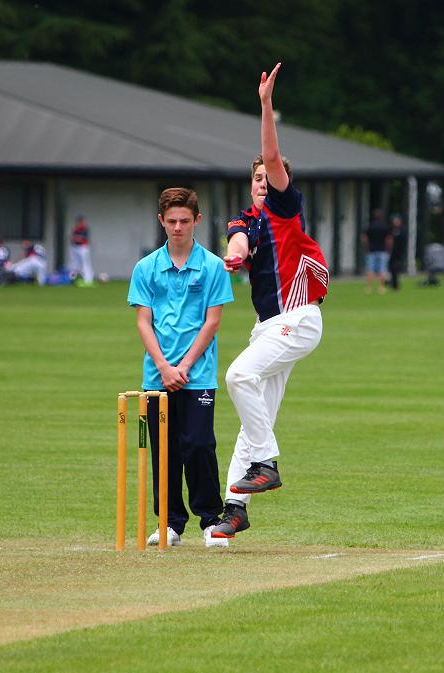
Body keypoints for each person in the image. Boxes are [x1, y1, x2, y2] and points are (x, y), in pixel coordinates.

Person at [213, 63, 329, 540]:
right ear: (250, 185)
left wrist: (265, 105)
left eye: (269, 175)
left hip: (297, 319)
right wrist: (235, 255)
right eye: (257, 178)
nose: (263, 181)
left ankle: (266, 464)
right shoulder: (245, 220)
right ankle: (235, 508)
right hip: (268, 327)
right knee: (254, 414)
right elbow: (238, 240)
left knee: (238, 376)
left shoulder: (285, 206)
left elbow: (272, 155)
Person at [128, 188, 234, 548]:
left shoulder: (213, 266)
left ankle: (211, 520)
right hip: (157, 376)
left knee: (200, 446)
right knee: (164, 450)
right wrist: (163, 366)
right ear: (161, 221)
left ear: (197, 221)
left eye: (184, 221)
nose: (177, 227)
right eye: (171, 221)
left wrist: (184, 366)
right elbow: (143, 322)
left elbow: (212, 321)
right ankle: (170, 523)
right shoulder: (146, 268)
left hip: (197, 375)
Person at [362, 208, 392, 294]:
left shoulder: (370, 226)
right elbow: (389, 239)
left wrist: (367, 246)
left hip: (371, 250)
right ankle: (381, 287)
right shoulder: (385, 226)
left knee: (370, 269)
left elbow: (364, 237)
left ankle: (369, 287)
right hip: (382, 250)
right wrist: (388, 249)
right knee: (382, 270)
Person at [68, 215, 94, 285]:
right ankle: (72, 279)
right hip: (74, 247)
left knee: (85, 264)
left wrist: (75, 238)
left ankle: (88, 280)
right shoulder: (75, 229)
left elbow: (80, 239)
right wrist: (75, 238)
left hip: (83, 248)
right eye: (80, 221)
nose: (82, 223)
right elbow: (71, 238)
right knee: (73, 264)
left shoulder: (85, 229)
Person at [387, 212, 407, 291]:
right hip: (391, 252)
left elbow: (403, 243)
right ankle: (393, 283)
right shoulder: (390, 230)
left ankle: (395, 285)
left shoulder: (402, 231)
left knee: (395, 268)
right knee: (392, 268)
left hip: (398, 253)